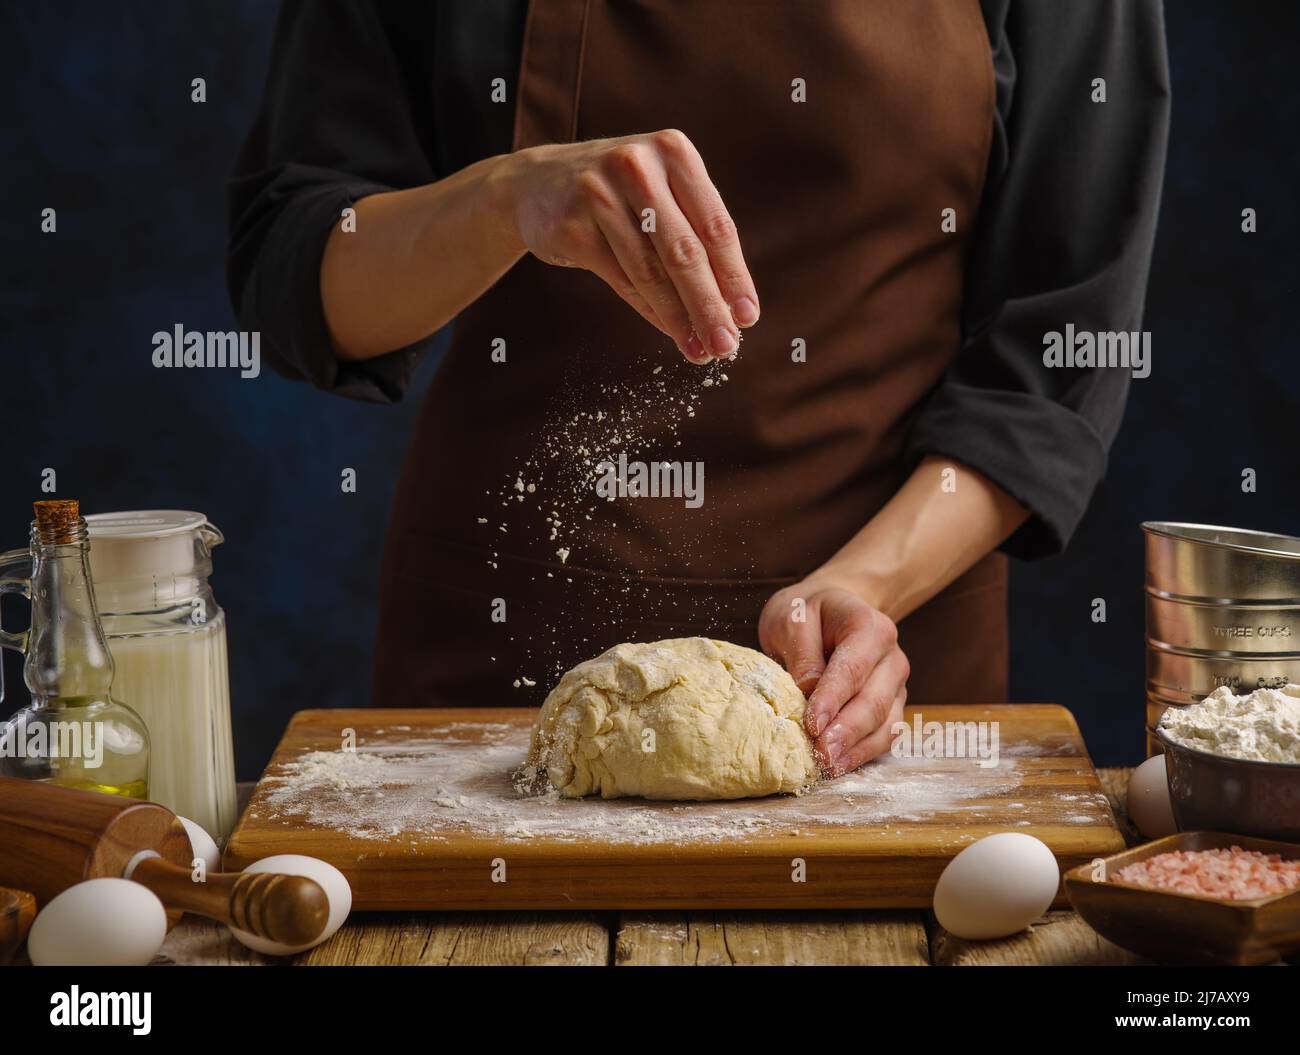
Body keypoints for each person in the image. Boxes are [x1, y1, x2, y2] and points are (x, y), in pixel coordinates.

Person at [228, 0, 1169, 775]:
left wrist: (864, 587)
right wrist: (503, 198)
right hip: (498, 664)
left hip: (875, 677)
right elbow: (300, 276)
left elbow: (1057, 353)